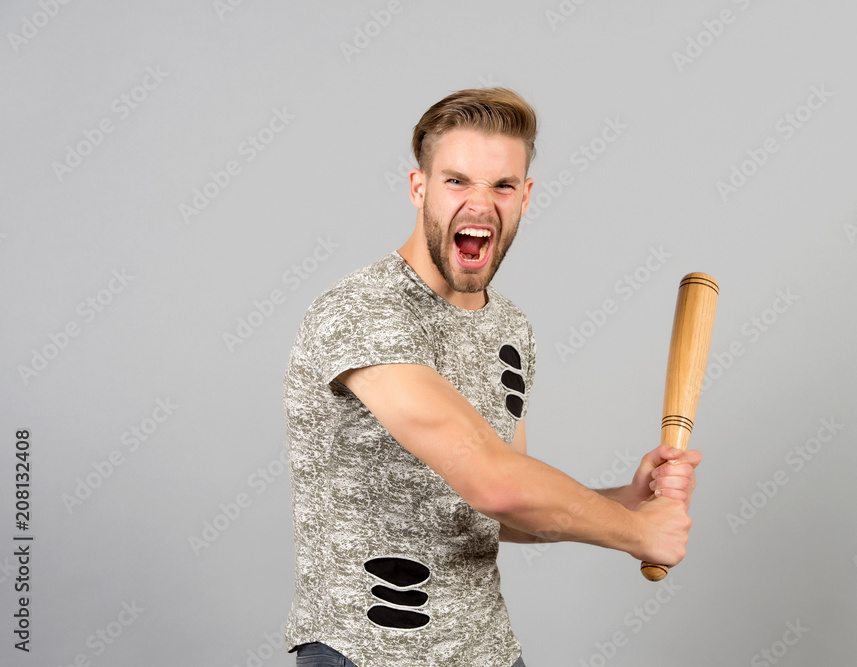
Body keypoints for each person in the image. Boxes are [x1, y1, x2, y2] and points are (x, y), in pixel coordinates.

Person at [283, 87, 701, 667]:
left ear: (525, 196)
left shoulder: (509, 327)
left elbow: (504, 512)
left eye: (502, 185)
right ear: (419, 187)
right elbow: (496, 482)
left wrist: (626, 504)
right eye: (456, 181)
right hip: (369, 655)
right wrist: (639, 534)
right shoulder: (362, 314)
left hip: (488, 654)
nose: (480, 204)